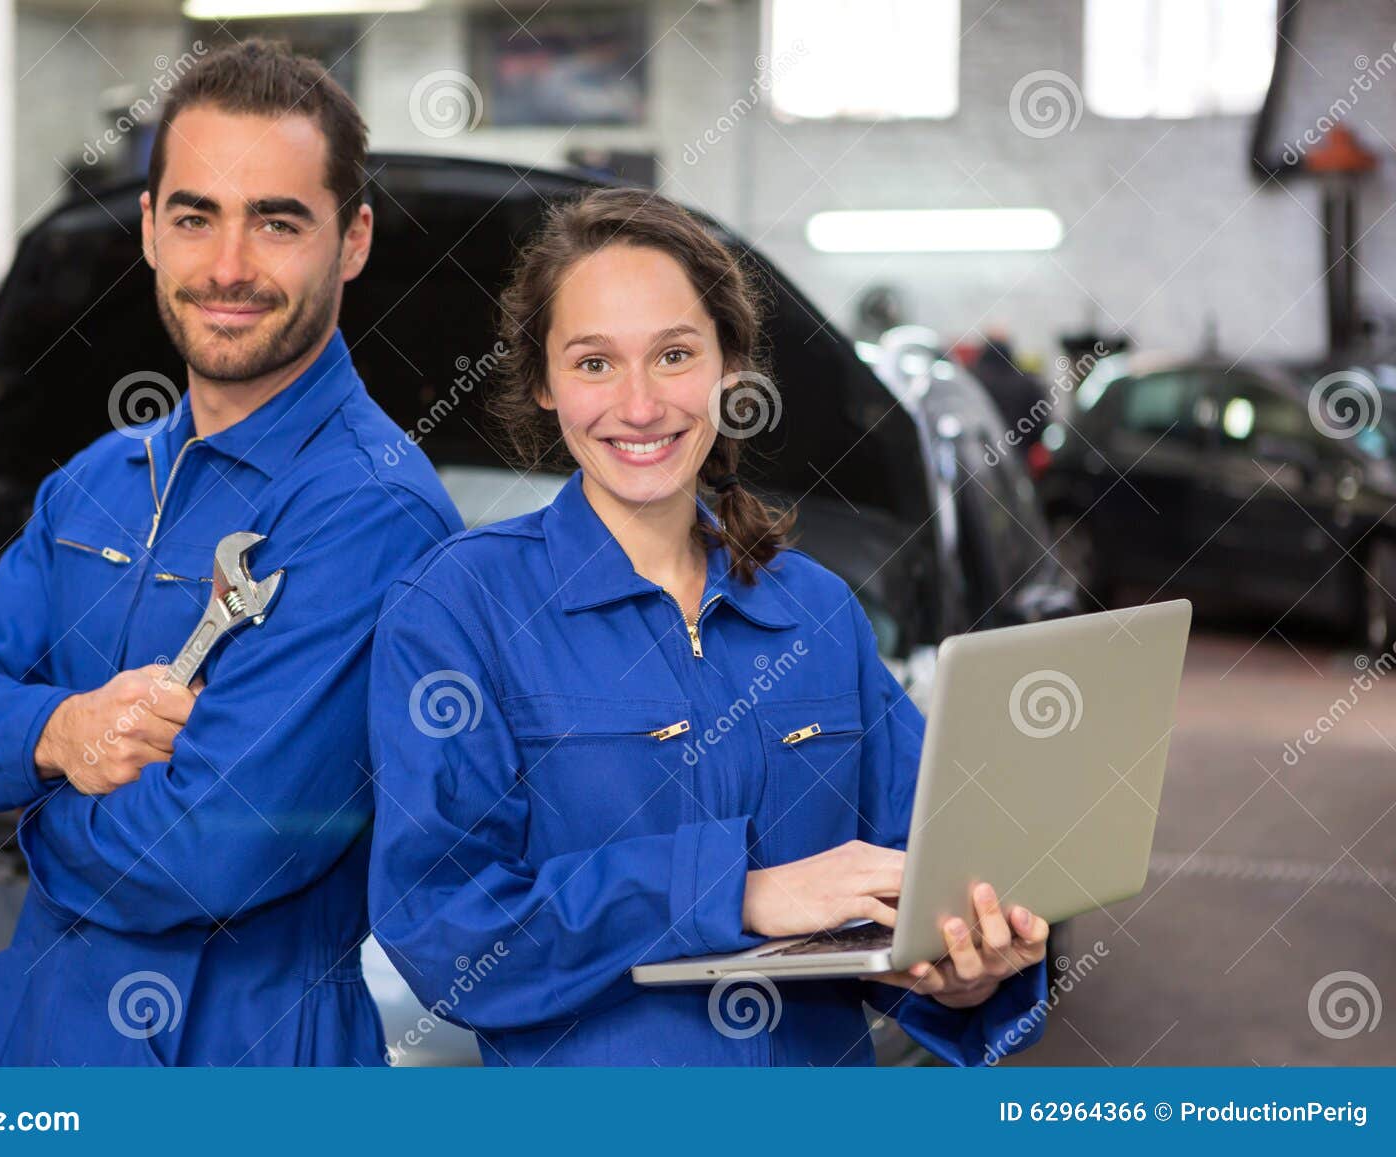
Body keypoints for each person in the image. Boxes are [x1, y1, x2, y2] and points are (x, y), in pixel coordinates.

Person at [366, 188, 1049, 1066]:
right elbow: (446, 932)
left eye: (674, 354)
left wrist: (965, 973)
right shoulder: (461, 608)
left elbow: (917, 885)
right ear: (542, 381)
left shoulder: (817, 613)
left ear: (729, 368)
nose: (640, 404)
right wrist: (738, 893)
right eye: (595, 362)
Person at [0, 40, 462, 1065]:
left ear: (353, 239)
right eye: (196, 217)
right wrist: (60, 730)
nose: (229, 266)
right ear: (151, 229)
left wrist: (29, 811)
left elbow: (205, 849)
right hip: (35, 1039)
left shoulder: (374, 514)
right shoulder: (97, 480)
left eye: (277, 222)